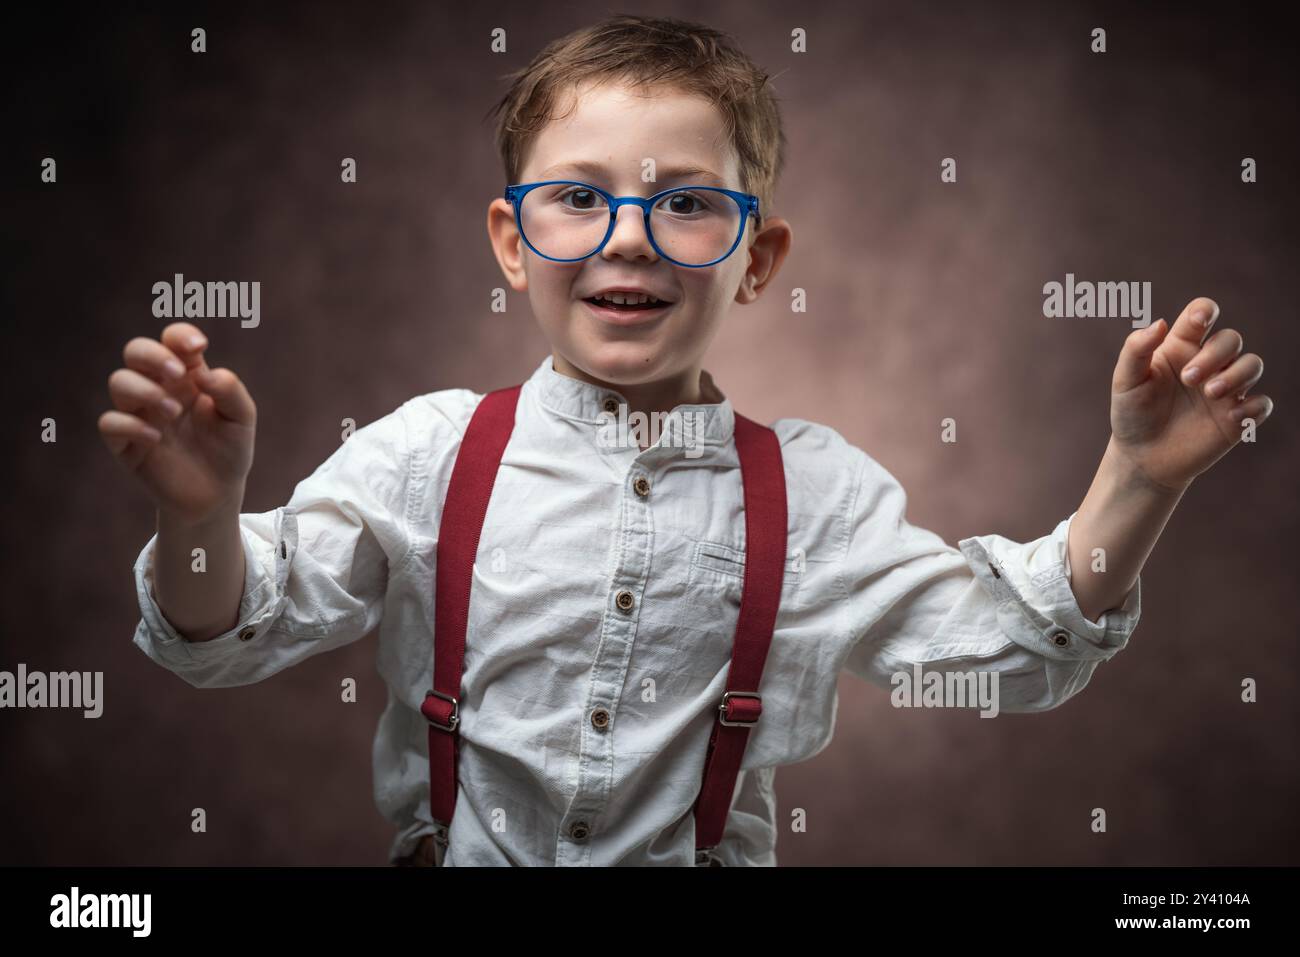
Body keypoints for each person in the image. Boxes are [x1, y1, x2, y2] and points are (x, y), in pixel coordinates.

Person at [98, 14, 1274, 866]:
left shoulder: (811, 491)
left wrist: (1136, 479)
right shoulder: (430, 453)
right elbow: (223, 638)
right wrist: (200, 518)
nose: (629, 240)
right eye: (579, 196)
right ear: (513, 244)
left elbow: (1009, 654)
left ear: (755, 259)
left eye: (687, 201)